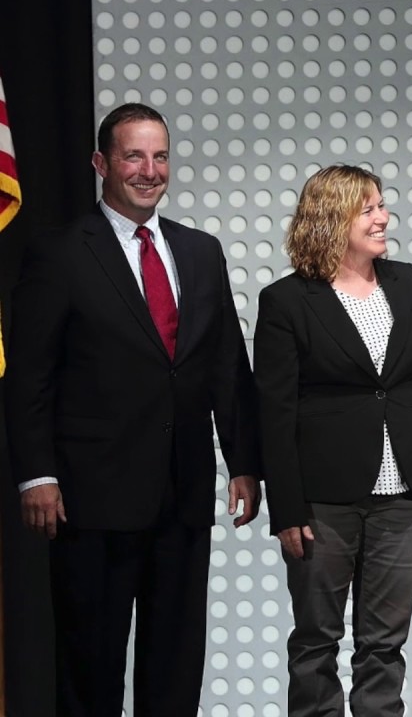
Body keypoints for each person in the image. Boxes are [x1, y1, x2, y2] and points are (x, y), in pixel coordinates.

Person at [3, 103, 261, 716]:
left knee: (175, 669)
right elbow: (31, 376)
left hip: (183, 492)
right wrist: (38, 474)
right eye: (133, 156)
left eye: (160, 156)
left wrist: (244, 462)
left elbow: (226, 365)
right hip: (92, 497)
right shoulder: (60, 253)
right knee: (90, 670)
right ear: (102, 163)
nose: (149, 170)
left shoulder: (200, 252)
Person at [254, 165, 412, 716]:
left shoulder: (405, 282)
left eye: (381, 205)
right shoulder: (287, 301)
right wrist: (286, 508)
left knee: (384, 646)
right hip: (323, 500)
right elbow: (273, 412)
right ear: (331, 217)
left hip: (402, 494)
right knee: (316, 641)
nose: (382, 217)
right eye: (367, 208)